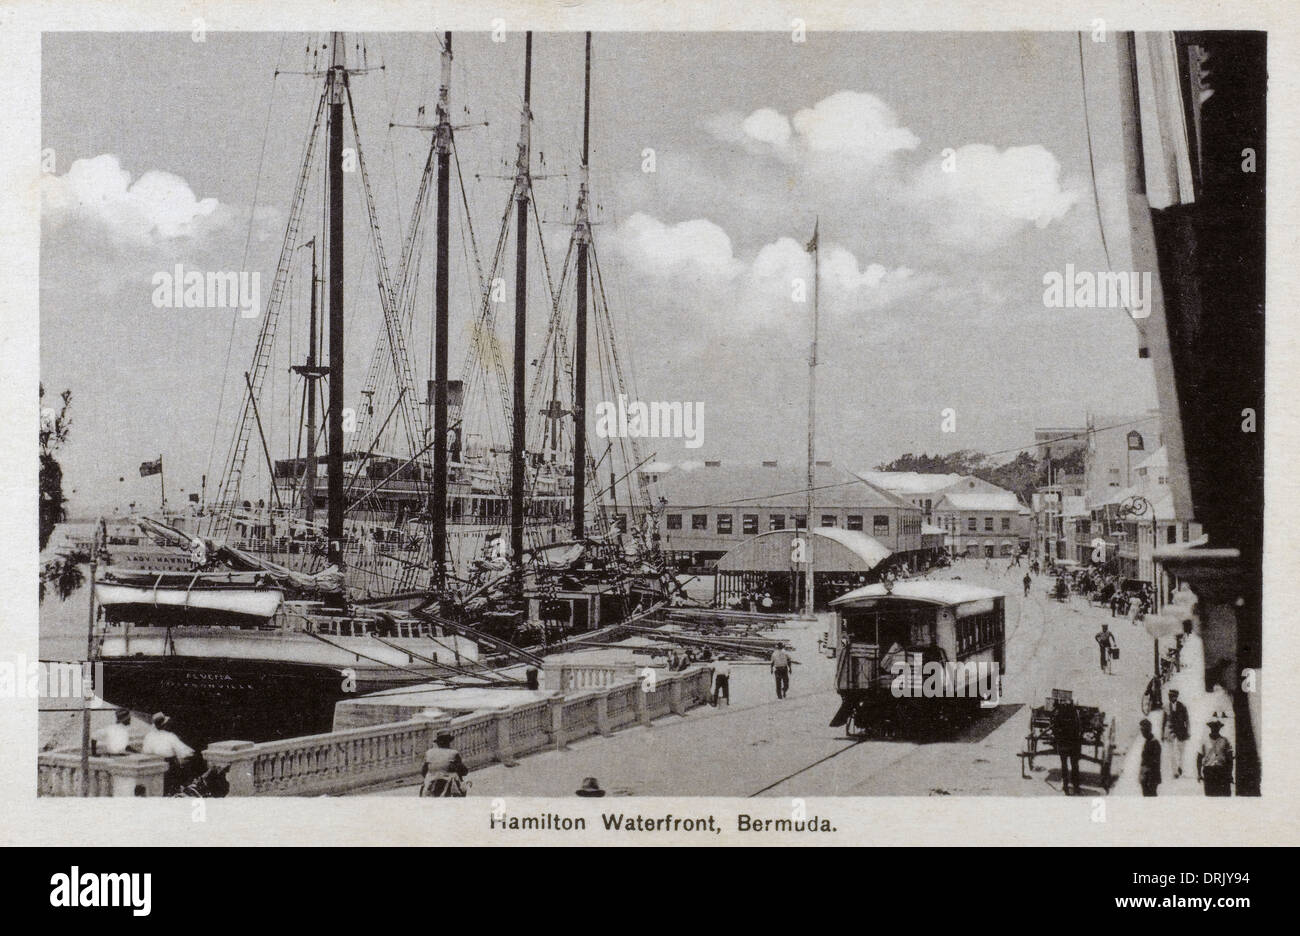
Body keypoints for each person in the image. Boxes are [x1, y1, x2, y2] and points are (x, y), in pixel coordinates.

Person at [420, 730, 469, 797]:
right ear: (448, 742)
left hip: (430, 782)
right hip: (448, 781)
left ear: (438, 743)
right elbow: (464, 771)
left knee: (424, 788)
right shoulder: (453, 753)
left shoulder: (429, 752)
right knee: (461, 788)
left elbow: (423, 772)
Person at [1197, 714, 1234, 796]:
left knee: (1224, 796)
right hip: (1209, 772)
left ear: (1219, 728)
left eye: (1217, 727)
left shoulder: (1225, 741)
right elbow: (1199, 757)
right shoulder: (1204, 741)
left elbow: (1230, 759)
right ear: (1210, 728)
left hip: (1222, 772)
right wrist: (1199, 774)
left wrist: (1230, 774)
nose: (1215, 729)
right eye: (1213, 727)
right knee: (1210, 796)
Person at [1051, 701, 1082, 794]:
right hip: (1073, 744)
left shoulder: (1058, 712)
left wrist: (1057, 740)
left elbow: (1054, 728)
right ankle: (1075, 786)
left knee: (1065, 765)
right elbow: (1079, 727)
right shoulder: (1075, 713)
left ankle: (1066, 786)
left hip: (1063, 744)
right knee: (1074, 765)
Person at [1163, 689, 1190, 778]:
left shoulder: (1182, 706)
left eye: (1173, 696)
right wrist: (1162, 733)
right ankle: (1174, 771)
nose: (1171, 698)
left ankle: (1180, 767)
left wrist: (1188, 731)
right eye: (1169, 696)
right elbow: (1163, 721)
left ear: (1176, 697)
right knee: (1172, 752)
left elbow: (1187, 720)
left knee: (1181, 751)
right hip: (1171, 731)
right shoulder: (1166, 707)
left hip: (1181, 731)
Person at [1138, 718, 1162, 796]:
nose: (1141, 732)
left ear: (1147, 730)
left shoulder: (1154, 743)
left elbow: (1154, 762)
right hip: (1146, 777)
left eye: (1142, 730)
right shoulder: (1148, 741)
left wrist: (1145, 773)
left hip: (1151, 778)